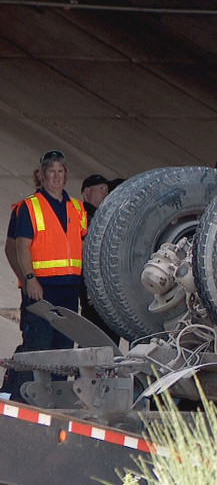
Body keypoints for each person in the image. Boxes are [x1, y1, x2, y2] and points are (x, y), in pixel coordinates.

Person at [1, 150, 88, 402]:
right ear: (41, 175)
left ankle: (55, 402)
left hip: (69, 290)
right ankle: (22, 401)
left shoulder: (77, 208)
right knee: (37, 348)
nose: (57, 176)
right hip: (41, 289)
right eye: (52, 171)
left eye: (61, 172)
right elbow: (19, 247)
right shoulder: (30, 207)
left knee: (62, 351)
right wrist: (28, 279)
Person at [78, 173, 120, 346]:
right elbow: (86, 251)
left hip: (105, 288)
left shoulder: (103, 216)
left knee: (108, 336)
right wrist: (92, 288)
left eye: (106, 189)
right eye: (101, 189)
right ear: (87, 192)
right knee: (93, 334)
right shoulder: (82, 214)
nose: (105, 192)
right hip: (93, 287)